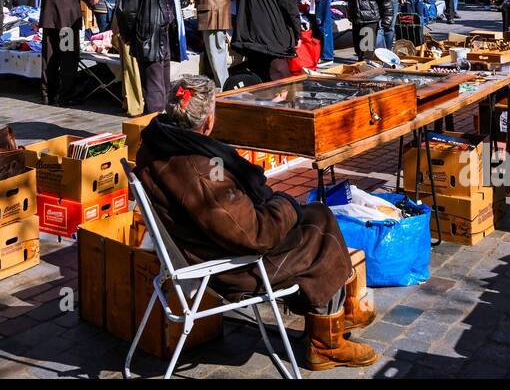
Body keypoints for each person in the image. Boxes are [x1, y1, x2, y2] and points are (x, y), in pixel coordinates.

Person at [134, 75, 375, 370]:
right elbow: (255, 235)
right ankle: (326, 344)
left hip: (201, 245)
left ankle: (338, 313)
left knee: (315, 215)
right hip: (232, 267)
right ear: (208, 121)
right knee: (319, 227)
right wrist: (285, 204)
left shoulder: (155, 144)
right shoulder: (202, 171)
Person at [116, 0, 182, 113]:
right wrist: (132, 36)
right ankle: (155, 125)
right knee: (154, 89)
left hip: (163, 36)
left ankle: (163, 123)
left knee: (164, 86)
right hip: (149, 38)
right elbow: (127, 11)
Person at [33, 0, 97, 106]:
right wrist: (94, 1)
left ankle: (47, 95)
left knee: (49, 58)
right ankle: (64, 96)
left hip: (49, 19)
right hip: (68, 21)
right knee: (68, 59)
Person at [114, 0, 148, 116]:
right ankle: (134, 105)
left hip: (128, 21)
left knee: (130, 65)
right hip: (129, 22)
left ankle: (130, 102)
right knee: (131, 65)